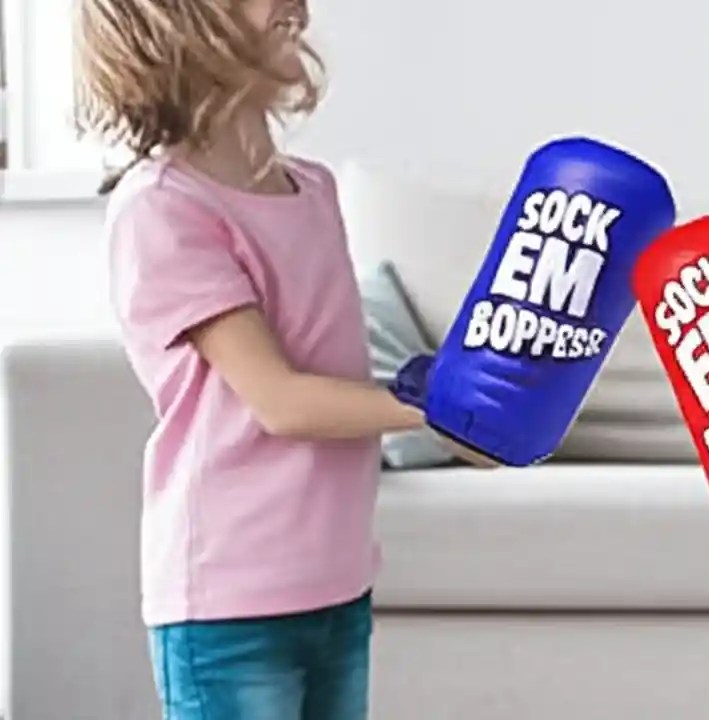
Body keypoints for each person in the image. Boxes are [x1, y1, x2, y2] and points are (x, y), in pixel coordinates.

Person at [72, 1, 441, 717]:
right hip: (228, 600)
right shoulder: (163, 207)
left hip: (335, 583)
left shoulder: (315, 190)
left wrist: (465, 411)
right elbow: (280, 400)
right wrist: (432, 405)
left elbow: (338, 374)